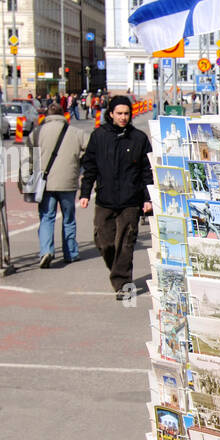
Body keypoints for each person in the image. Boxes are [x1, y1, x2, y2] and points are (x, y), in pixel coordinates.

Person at [79, 94, 153, 299]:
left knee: (126, 242)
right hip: (105, 198)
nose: (123, 117)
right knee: (104, 242)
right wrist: (85, 192)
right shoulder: (99, 136)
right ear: (110, 113)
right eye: (119, 113)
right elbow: (90, 166)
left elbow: (147, 171)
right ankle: (117, 269)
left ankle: (123, 285)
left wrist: (148, 198)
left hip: (131, 200)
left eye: (126, 114)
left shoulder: (138, 138)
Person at [32, 101, 89, 268]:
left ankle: (46, 251)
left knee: (46, 217)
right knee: (68, 218)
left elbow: (28, 156)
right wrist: (80, 166)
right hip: (68, 183)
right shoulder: (77, 132)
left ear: (47, 115)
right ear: (63, 114)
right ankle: (70, 253)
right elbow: (89, 149)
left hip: (45, 184)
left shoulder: (37, 132)